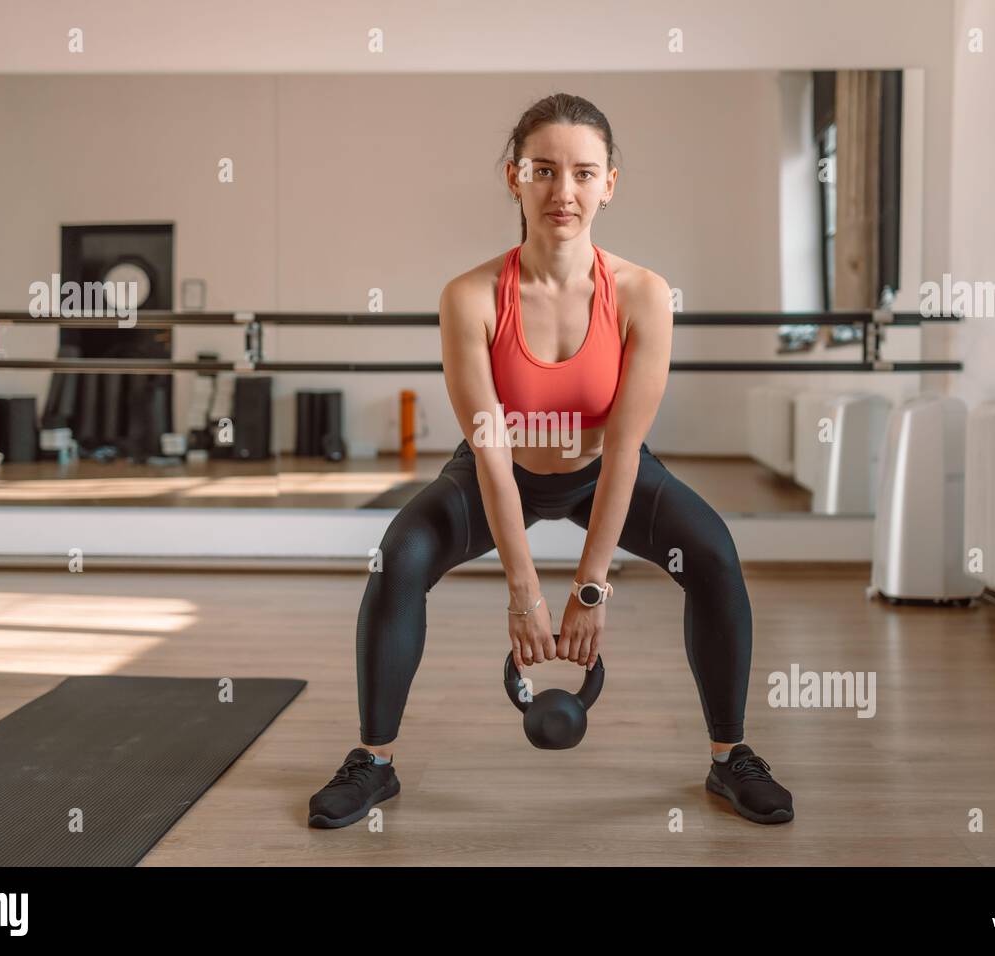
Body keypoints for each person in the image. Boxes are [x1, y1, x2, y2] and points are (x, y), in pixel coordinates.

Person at [309, 93, 793, 830]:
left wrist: (589, 591)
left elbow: (626, 446)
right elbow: (490, 450)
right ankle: (373, 761)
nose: (562, 191)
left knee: (715, 558)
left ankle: (731, 756)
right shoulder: (469, 296)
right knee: (400, 555)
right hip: (496, 470)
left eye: (582, 172)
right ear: (514, 177)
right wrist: (526, 591)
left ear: (609, 183)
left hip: (605, 471)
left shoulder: (642, 294)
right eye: (543, 170)